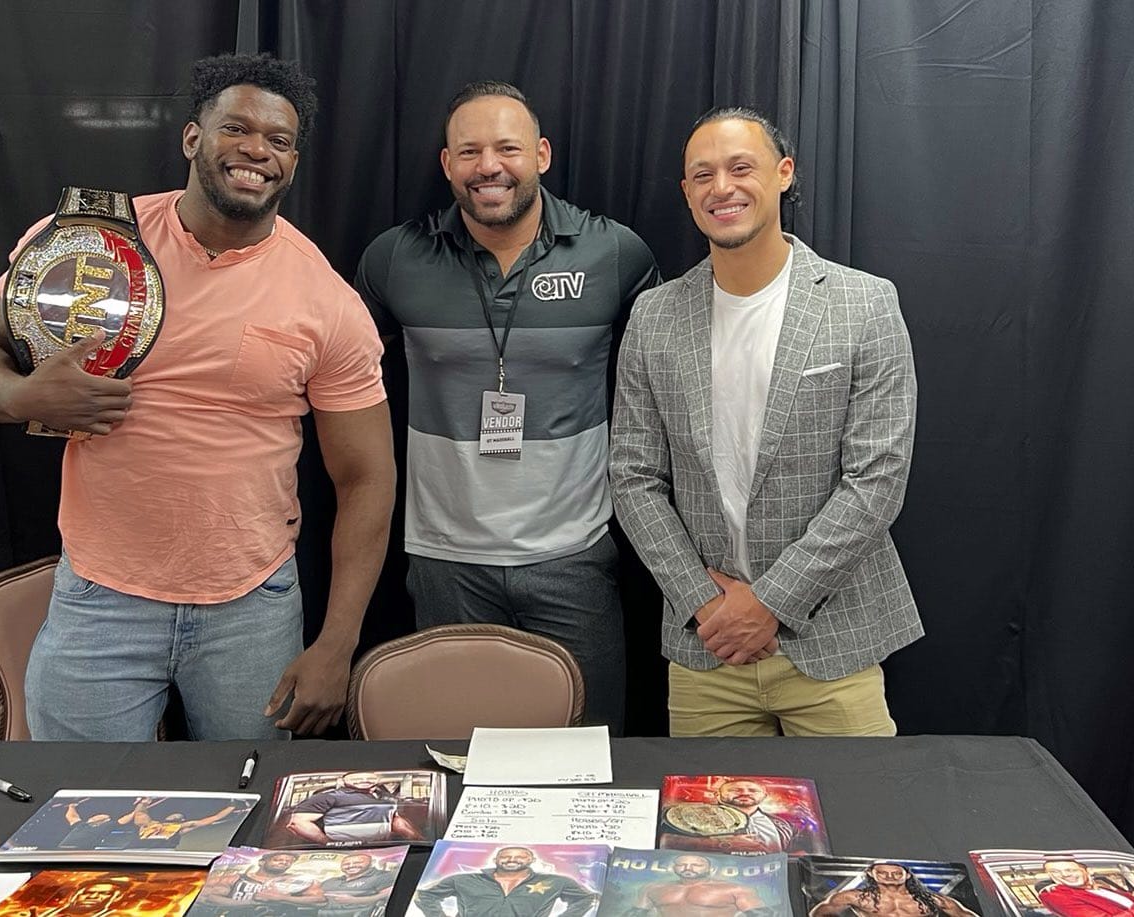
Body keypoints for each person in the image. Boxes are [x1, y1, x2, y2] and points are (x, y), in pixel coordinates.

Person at [0, 53, 395, 741]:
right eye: (235, 128)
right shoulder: (88, 245)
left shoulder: (328, 300)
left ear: (292, 165)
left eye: (277, 141)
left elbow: (367, 478)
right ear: (191, 138)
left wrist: (337, 644)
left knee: (251, 823)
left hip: (253, 606)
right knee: (80, 820)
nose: (255, 151)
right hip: (100, 598)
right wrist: (21, 392)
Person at [354, 81, 660, 734]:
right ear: (446, 165)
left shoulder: (615, 254)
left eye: (507, 148)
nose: (488, 165)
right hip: (444, 563)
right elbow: (343, 382)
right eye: (469, 151)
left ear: (542, 154)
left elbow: (665, 384)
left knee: (588, 756)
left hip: (573, 557)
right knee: (456, 754)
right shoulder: (395, 259)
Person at [610, 105, 921, 737]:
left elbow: (876, 481)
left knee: (858, 830)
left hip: (833, 642)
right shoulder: (654, 316)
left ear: (782, 174)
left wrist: (771, 604)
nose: (721, 186)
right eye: (702, 175)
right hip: (708, 650)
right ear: (687, 194)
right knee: (704, 837)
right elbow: (633, 478)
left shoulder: (864, 303)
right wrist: (705, 602)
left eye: (740, 167)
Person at [413, 846, 596, 917]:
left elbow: (587, 898)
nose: (511, 860)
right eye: (505, 856)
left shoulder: (557, 882)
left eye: (519, 857)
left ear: (531, 860)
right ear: (496, 860)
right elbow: (424, 896)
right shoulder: (462, 880)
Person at [284, 772, 421, 845]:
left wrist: (415, 838)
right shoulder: (328, 796)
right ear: (343, 781)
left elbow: (395, 820)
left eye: (368, 778)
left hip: (383, 847)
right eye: (357, 778)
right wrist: (326, 842)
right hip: (341, 849)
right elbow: (297, 823)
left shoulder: (385, 797)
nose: (363, 780)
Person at [809, 862, 978, 917]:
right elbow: (819, 913)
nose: (890, 876)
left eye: (896, 873)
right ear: (871, 874)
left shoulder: (932, 900)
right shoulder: (856, 897)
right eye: (883, 873)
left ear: (907, 875)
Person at [635, 855, 774, 917]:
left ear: (710, 869)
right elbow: (634, 914)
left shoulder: (735, 889)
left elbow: (762, 915)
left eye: (696, 865)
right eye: (682, 865)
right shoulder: (653, 888)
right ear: (674, 868)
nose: (688, 868)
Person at [195, 851, 326, 916]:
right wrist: (252, 902)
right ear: (262, 862)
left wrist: (281, 898)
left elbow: (320, 901)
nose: (284, 862)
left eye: (288, 861)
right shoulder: (234, 878)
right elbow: (208, 898)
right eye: (278, 859)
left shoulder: (299, 880)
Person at [712, 780, 796, 853]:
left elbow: (799, 853)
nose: (745, 793)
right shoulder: (701, 819)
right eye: (735, 790)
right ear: (717, 795)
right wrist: (721, 844)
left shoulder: (785, 825)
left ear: (764, 795)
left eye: (753, 790)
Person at [123, 796, 240, 849]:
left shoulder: (178, 828)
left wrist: (232, 806)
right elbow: (140, 814)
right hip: (134, 850)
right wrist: (145, 801)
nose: (176, 814)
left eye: (179, 816)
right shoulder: (150, 823)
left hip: (161, 853)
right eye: (176, 813)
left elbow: (212, 819)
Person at [1037, 860, 1134, 917]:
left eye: (1071, 870)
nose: (1064, 875)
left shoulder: (1102, 888)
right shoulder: (1058, 895)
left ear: (1089, 871)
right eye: (1055, 872)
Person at [321, 854, 397, 917]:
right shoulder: (331, 881)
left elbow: (388, 895)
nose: (351, 866)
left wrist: (355, 900)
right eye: (346, 864)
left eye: (358, 863)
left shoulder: (381, 876)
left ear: (370, 863)